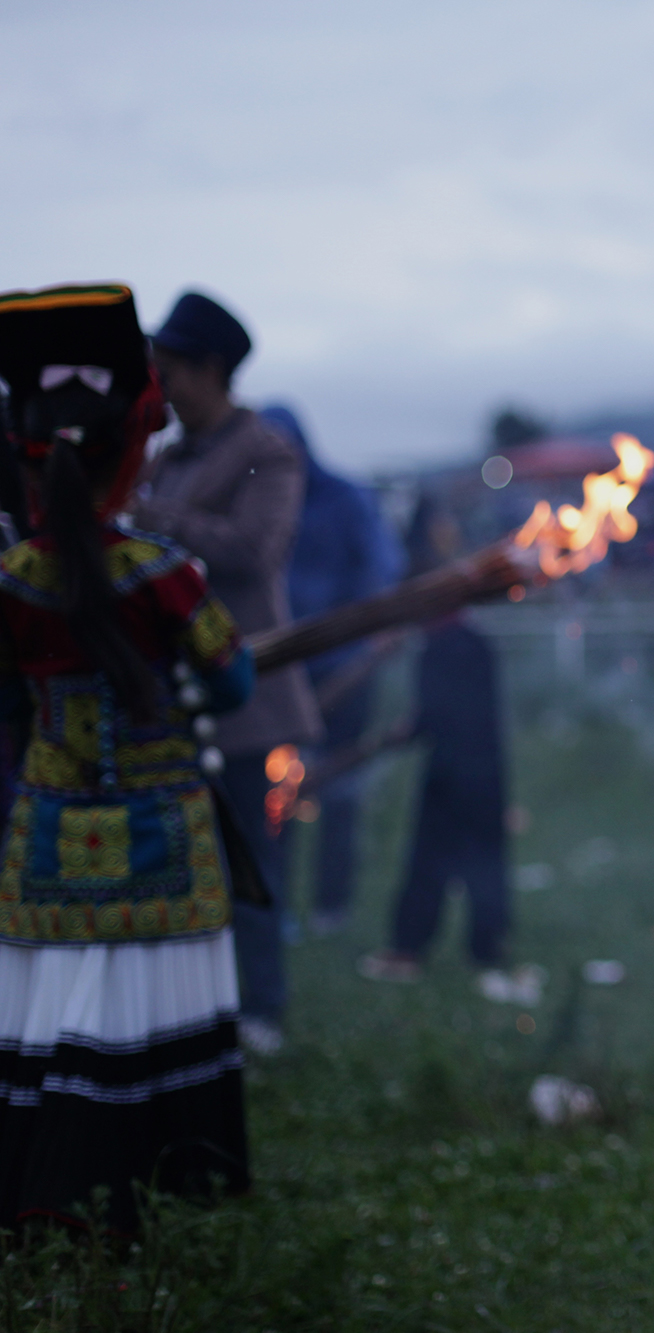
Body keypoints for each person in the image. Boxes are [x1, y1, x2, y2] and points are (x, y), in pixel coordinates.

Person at [0, 283, 257, 1230]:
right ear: (131, 449)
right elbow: (231, 683)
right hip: (158, 832)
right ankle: (162, 1185)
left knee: (52, 1003)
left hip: (45, 831)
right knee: (146, 1003)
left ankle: (40, 1189)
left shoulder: (13, 580)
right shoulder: (164, 573)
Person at [129, 291, 320, 1055]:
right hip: (172, 697)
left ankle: (261, 1011)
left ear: (210, 370)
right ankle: (198, 1004)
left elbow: (253, 549)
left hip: (250, 703)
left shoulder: (269, 451)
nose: (160, 383)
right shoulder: (165, 458)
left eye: (169, 368)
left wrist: (144, 517)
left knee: (249, 863)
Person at [357, 497, 535, 1005]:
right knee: (441, 854)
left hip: (472, 758)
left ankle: (481, 948)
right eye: (443, 521)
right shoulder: (425, 570)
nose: (449, 529)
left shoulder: (464, 635)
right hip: (454, 759)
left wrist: (421, 723)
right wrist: (418, 723)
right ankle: (433, 948)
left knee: (465, 855)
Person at [259, 403, 403, 936]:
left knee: (339, 788)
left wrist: (364, 633)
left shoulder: (344, 498)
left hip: (342, 664)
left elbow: (378, 567)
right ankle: (275, 907)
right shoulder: (263, 497)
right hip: (280, 668)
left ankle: (331, 905)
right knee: (276, 791)